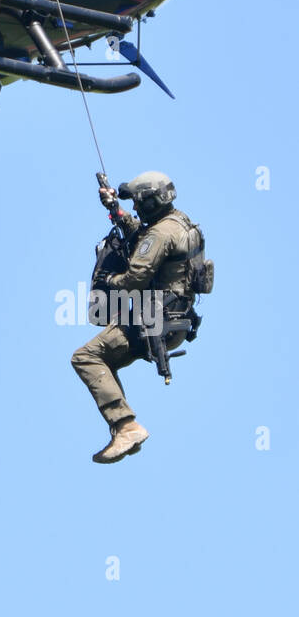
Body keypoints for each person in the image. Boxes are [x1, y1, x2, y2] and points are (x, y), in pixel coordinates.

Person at [71, 172, 207, 464]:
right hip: (176, 321)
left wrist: (110, 280)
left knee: (86, 357)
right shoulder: (180, 223)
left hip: (155, 322)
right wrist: (115, 210)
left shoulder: (160, 234)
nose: (135, 209)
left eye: (138, 203)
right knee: (103, 358)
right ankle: (123, 426)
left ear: (152, 202)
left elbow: (135, 278)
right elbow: (143, 236)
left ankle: (125, 427)